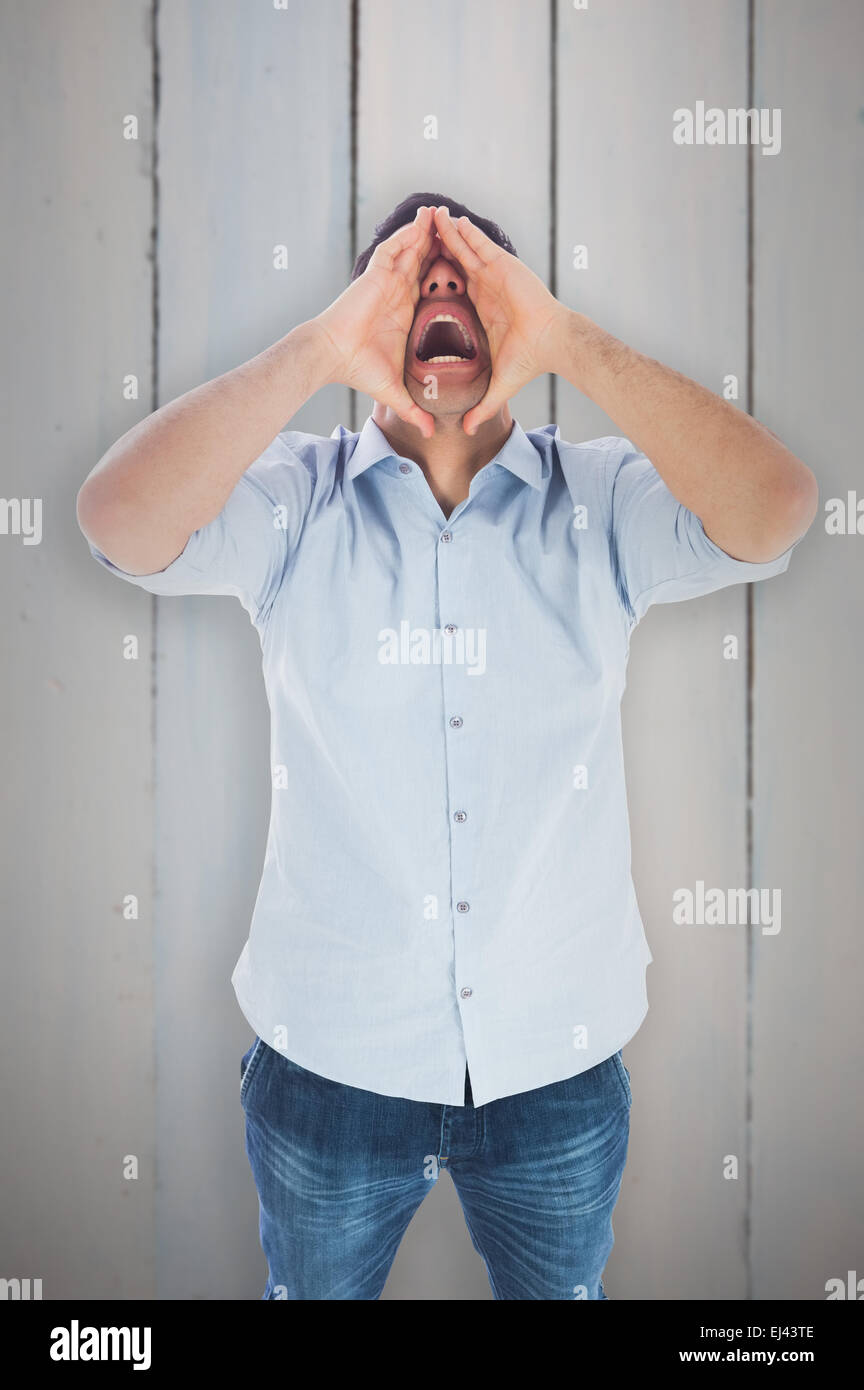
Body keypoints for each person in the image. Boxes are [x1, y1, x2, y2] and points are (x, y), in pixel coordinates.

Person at [77, 194, 817, 1300]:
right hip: (329, 1063)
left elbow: (777, 513)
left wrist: (572, 340)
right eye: (407, 284)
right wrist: (321, 345)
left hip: (554, 1069)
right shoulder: (298, 500)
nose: (440, 295)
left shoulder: (600, 501)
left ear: (515, 327)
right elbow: (115, 520)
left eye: (472, 285)